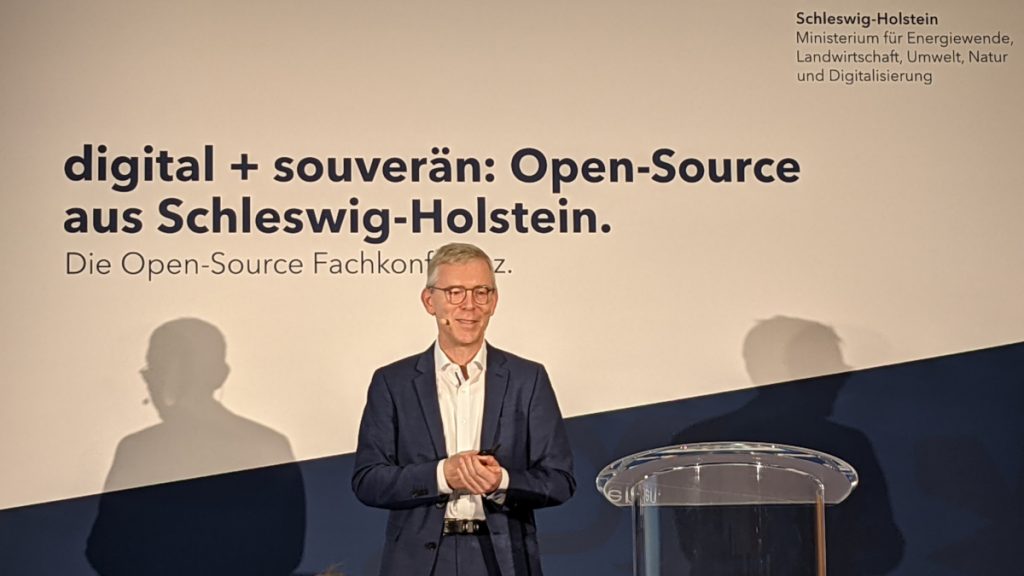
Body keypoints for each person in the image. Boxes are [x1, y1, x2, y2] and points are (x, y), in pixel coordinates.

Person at [352, 242, 575, 576]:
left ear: (494, 301)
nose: (469, 305)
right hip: (419, 563)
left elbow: (559, 480)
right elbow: (368, 480)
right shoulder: (392, 382)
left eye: (481, 292)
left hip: (503, 560)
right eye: (455, 292)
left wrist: (501, 481)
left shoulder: (528, 379)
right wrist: (443, 475)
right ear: (430, 301)